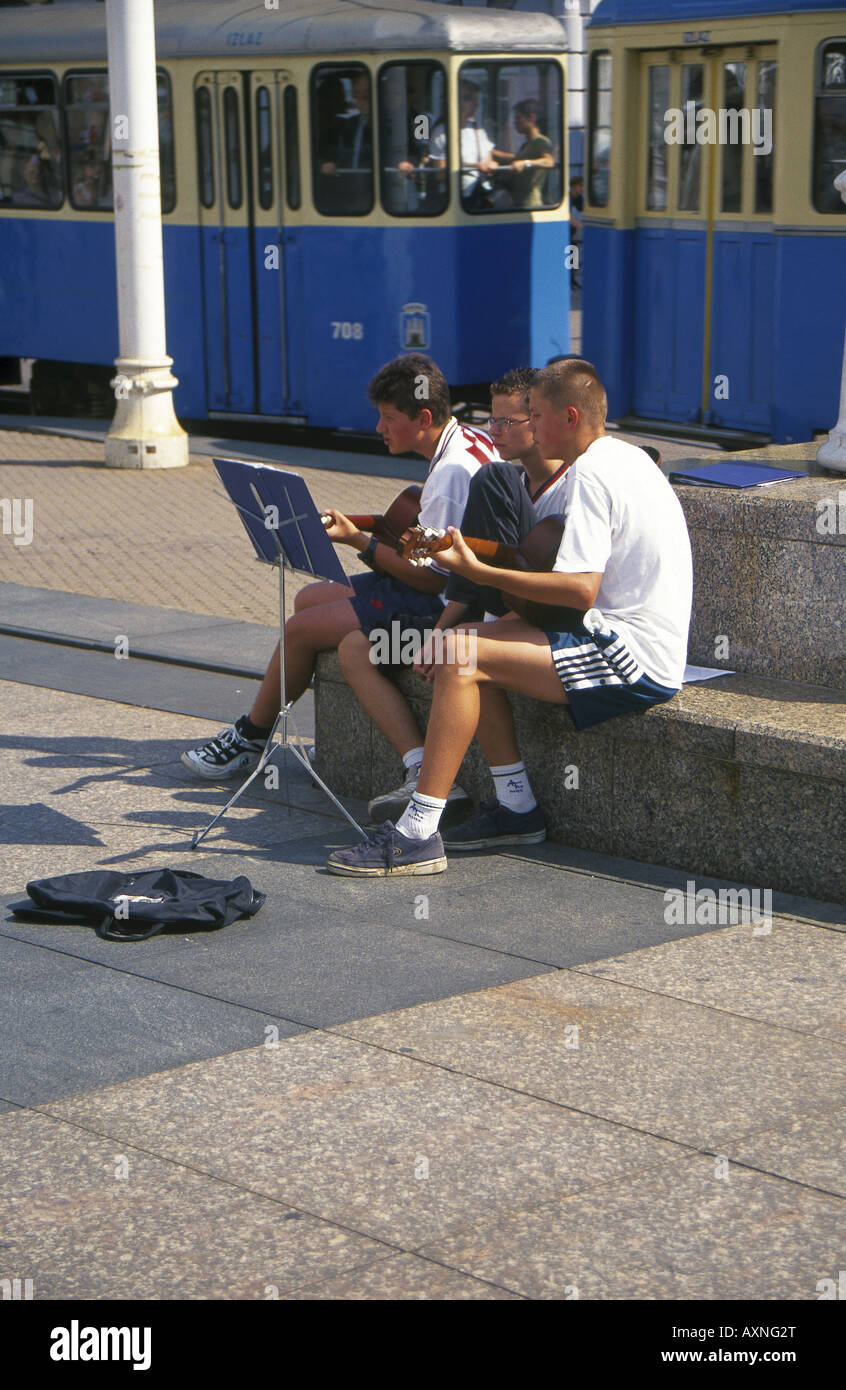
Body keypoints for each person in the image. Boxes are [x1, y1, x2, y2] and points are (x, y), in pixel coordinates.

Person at [327, 358, 694, 877]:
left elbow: (578, 588)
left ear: (569, 417)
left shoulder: (591, 473)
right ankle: (516, 805)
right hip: (606, 630)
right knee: (469, 636)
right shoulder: (623, 457)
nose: (527, 428)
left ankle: (417, 833)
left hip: (633, 659)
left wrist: (481, 571)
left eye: (536, 416)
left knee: (460, 653)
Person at [181, 356, 498, 799]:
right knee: (310, 598)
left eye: (388, 417)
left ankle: (250, 737)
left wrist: (358, 542)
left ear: (423, 417)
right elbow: (421, 536)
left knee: (303, 628)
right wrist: (354, 523)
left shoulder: (449, 474)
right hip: (443, 589)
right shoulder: (466, 439)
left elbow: (432, 581)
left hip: (446, 606)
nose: (378, 428)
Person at [345, 365, 562, 824]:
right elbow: (472, 577)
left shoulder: (557, 487)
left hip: (577, 636)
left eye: (509, 423)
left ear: (545, 423)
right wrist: (443, 630)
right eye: (492, 420)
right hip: (510, 616)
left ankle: (422, 817)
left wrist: (364, 543)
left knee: (443, 653)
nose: (495, 432)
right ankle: (515, 803)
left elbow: (579, 591)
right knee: (453, 647)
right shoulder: (512, 480)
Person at [494, 101, 555, 209]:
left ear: (531, 118)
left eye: (518, 118)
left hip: (530, 204)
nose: (515, 122)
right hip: (519, 202)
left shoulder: (541, 141)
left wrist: (525, 163)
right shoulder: (526, 144)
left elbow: (549, 162)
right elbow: (516, 159)